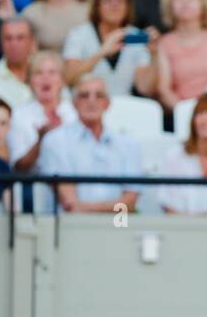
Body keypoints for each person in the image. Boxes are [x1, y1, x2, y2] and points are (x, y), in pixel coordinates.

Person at [38, 74, 141, 213]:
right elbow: (70, 204)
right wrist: (115, 206)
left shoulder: (128, 143)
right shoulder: (55, 141)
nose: (91, 101)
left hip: (117, 226)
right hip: (73, 228)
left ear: (108, 104)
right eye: (84, 95)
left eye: (99, 95)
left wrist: (87, 208)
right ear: (74, 103)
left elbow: (130, 202)